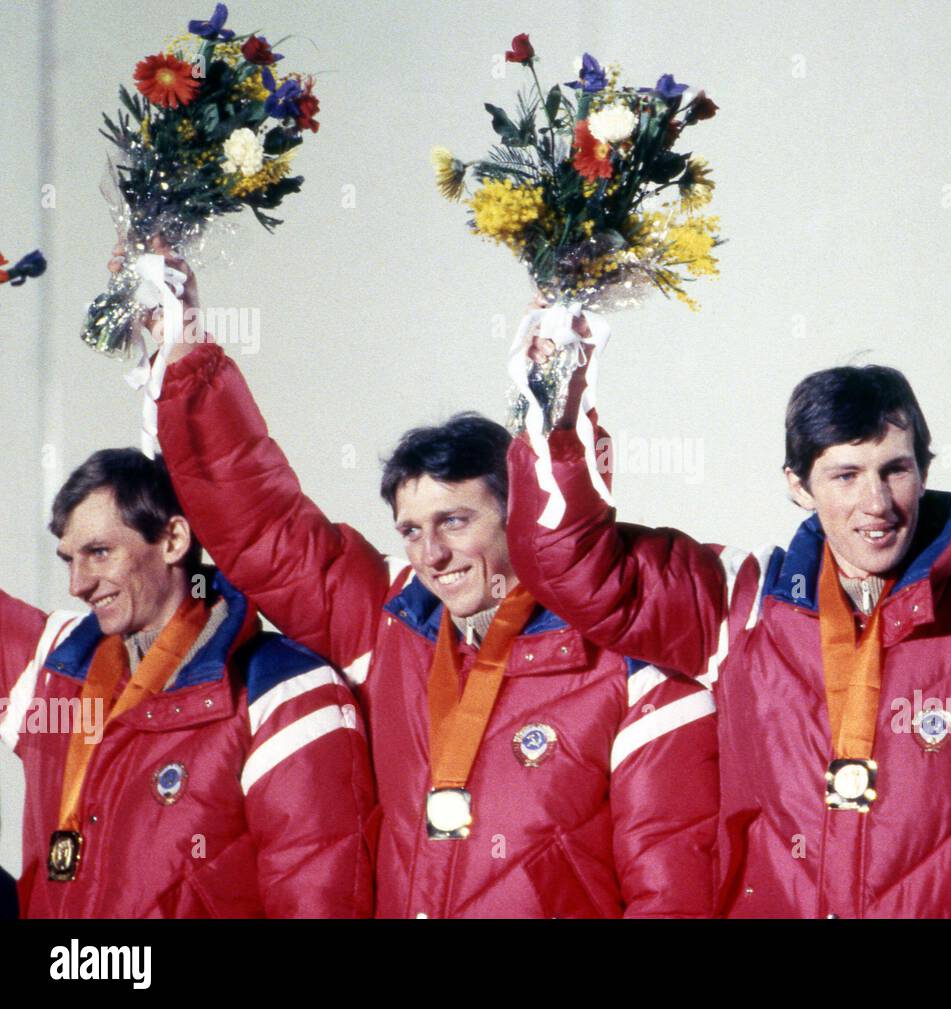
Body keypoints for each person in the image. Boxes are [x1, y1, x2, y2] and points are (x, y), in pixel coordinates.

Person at [140, 254, 718, 918]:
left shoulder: (624, 659)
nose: (432, 553)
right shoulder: (389, 623)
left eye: (455, 520)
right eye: (411, 529)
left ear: (518, 512)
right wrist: (183, 355)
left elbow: (671, 891)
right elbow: (263, 527)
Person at [507, 331, 951, 917]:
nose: (877, 502)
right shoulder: (745, 604)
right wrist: (557, 411)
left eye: (895, 469)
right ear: (797, 485)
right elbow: (571, 566)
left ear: (925, 469)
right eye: (845, 475)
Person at [0, 448, 375, 917]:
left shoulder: (281, 692)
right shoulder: (57, 668)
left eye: (99, 552)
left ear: (174, 539)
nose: (77, 584)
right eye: (69, 560)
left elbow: (318, 901)